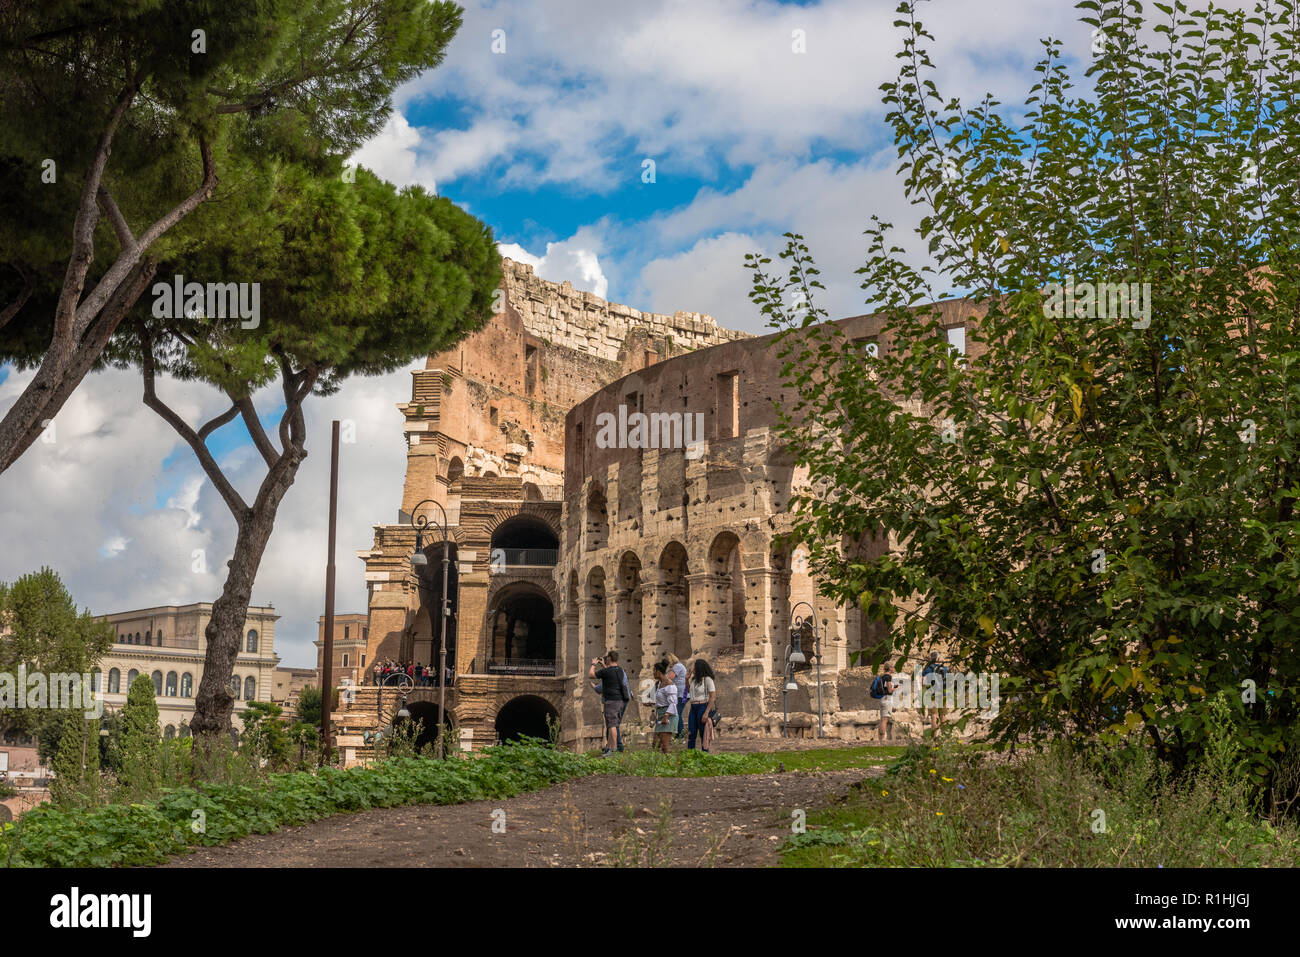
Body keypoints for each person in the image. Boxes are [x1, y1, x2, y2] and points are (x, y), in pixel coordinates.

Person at [588, 650, 629, 755]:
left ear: (609, 658)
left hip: (611, 701)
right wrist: (603, 665)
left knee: (612, 725)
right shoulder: (620, 670)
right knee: (612, 725)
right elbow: (610, 673)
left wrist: (593, 664)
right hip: (620, 701)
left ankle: (614, 749)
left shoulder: (607, 672)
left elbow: (591, 675)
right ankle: (610, 748)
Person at [687, 658, 717, 751]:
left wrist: (706, 712)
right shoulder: (694, 680)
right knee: (691, 733)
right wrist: (686, 679)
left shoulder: (708, 680)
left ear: (699, 668)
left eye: (694, 667)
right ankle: (690, 755)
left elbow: (712, 697)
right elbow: (688, 692)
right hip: (693, 707)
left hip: (703, 706)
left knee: (704, 734)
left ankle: (704, 755)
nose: (693, 669)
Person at [652, 661, 678, 754]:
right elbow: (662, 699)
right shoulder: (659, 684)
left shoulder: (669, 684)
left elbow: (673, 703)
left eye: (654, 671)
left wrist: (666, 716)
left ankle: (669, 764)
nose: (653, 673)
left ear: (658, 672)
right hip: (661, 714)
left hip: (668, 715)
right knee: (655, 744)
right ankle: (660, 764)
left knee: (664, 744)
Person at [921, 652, 949, 731]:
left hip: (932, 694)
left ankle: (935, 736)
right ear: (938, 659)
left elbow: (923, 682)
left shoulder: (928, 669)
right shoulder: (945, 669)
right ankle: (945, 735)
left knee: (934, 715)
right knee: (943, 715)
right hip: (943, 694)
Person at [871, 665, 897, 741]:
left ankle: (880, 737)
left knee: (882, 719)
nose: (894, 668)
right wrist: (896, 688)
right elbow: (889, 690)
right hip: (887, 699)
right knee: (885, 720)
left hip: (882, 699)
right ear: (890, 668)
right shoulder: (888, 677)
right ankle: (883, 738)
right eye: (893, 667)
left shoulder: (882, 676)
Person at [666, 653, 688, 739]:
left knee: (676, 714)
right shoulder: (678, 666)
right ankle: (678, 735)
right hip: (681, 694)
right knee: (676, 713)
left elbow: (669, 677)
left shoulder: (677, 666)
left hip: (682, 694)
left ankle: (681, 736)